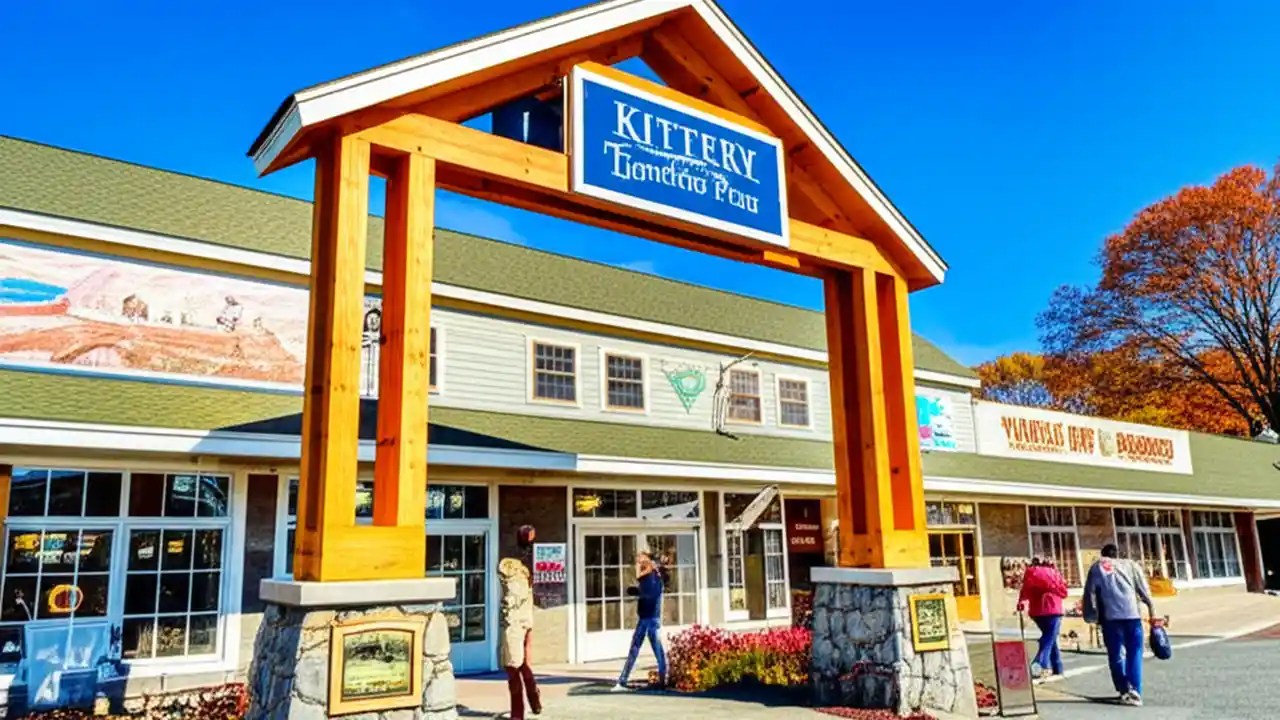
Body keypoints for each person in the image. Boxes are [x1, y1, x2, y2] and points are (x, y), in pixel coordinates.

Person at [1083, 543, 1155, 707]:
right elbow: (1144, 589)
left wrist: (1092, 616)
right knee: (1135, 652)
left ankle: (1124, 689)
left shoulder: (1097, 567)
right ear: (1117, 555)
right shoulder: (1130, 565)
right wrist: (1152, 610)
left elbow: (1090, 593)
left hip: (1111, 617)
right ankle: (1136, 690)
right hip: (1132, 615)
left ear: (1103, 555)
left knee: (1116, 655)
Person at [498, 525, 541, 719]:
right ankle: (534, 699)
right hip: (527, 617)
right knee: (524, 663)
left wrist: (505, 615)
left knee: (512, 666)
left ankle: (518, 712)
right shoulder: (532, 563)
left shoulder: (511, 568)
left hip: (515, 622)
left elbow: (511, 599)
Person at [611, 551, 668, 692]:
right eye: (637, 561)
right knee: (638, 648)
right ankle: (623, 681)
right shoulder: (647, 577)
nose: (638, 564)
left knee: (654, 649)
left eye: (641, 561)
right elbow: (646, 592)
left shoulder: (653, 577)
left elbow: (651, 595)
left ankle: (663, 679)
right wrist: (637, 591)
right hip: (645, 618)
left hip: (650, 619)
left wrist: (637, 592)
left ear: (648, 562)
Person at [1017, 557, 1069, 679]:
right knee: (1048, 639)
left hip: (1036, 612)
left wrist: (1020, 603)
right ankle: (1038, 665)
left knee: (1050, 638)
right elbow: (1064, 593)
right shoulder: (1054, 573)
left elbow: (1025, 591)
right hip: (1053, 610)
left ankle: (1058, 667)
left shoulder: (1031, 573)